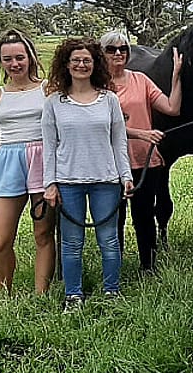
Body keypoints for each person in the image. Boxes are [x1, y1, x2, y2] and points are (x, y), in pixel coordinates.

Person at [42, 38, 133, 312]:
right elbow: (49, 146)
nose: (81, 65)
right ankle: (73, 295)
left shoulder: (110, 100)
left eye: (87, 61)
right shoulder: (54, 102)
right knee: (71, 243)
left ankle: (112, 291)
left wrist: (125, 176)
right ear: (66, 65)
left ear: (95, 65)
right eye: (76, 61)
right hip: (68, 183)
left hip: (106, 181)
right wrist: (50, 184)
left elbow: (119, 141)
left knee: (109, 240)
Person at [0, 28, 56, 294]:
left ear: (31, 57)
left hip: (42, 161)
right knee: (0, 240)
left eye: (20, 57)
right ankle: (4, 292)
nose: (15, 64)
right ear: (0, 62)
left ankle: (41, 293)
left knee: (43, 234)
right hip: (8, 164)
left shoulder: (48, 88)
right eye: (8, 59)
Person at [101, 30, 182, 274]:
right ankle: (115, 266)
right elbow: (102, 125)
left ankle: (148, 265)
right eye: (112, 49)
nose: (118, 54)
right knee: (114, 218)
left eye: (123, 49)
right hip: (110, 161)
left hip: (144, 159)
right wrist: (142, 133)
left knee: (144, 215)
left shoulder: (141, 80)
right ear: (102, 54)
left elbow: (172, 108)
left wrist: (176, 76)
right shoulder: (97, 86)